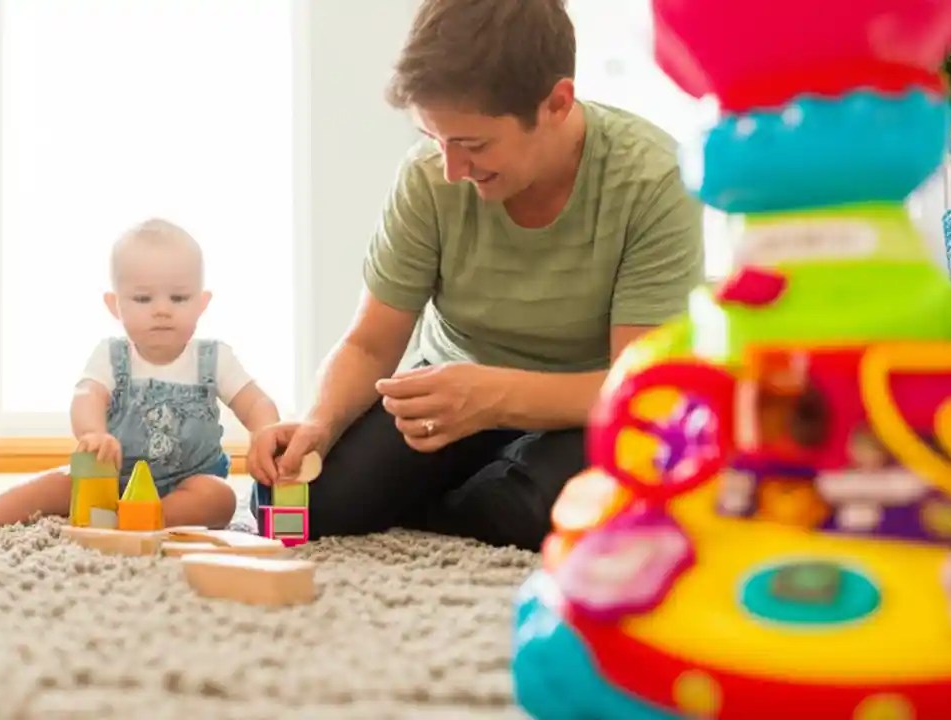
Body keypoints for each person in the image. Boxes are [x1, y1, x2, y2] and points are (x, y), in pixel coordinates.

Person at [246, 0, 705, 552]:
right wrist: (319, 424)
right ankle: (472, 491)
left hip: (582, 411)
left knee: (540, 510)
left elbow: (636, 384)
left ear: (557, 103)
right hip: (449, 395)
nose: (451, 169)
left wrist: (496, 396)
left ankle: (473, 493)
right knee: (299, 498)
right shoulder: (428, 178)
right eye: (436, 139)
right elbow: (370, 344)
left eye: (473, 145)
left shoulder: (652, 180)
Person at [0, 219, 280, 548]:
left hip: (187, 482)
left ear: (202, 303)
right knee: (55, 484)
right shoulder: (111, 356)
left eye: (178, 298)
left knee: (219, 498)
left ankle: (139, 520)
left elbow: (255, 402)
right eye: (142, 298)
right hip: (111, 480)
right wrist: (93, 433)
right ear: (115, 305)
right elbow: (87, 394)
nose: (162, 310)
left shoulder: (214, 358)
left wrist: (264, 431)